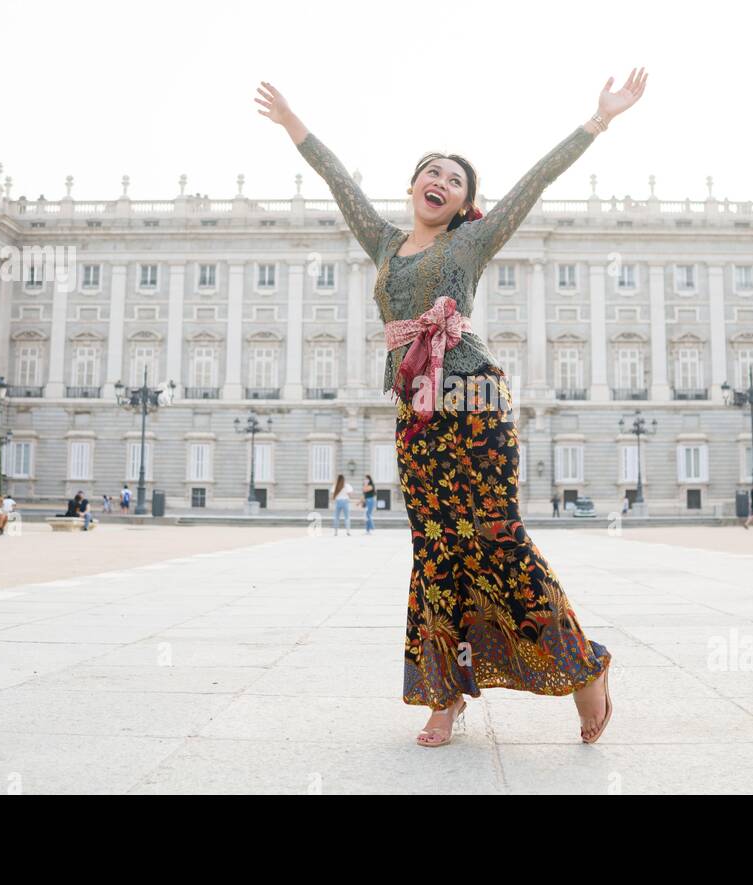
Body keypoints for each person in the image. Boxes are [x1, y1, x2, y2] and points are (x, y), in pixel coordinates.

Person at [259, 69, 647, 746]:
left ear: (466, 205)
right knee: (435, 550)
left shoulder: (469, 242)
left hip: (474, 400)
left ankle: (585, 668)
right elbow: (336, 181)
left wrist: (599, 119)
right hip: (415, 412)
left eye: (456, 179)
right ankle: (445, 694)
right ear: (414, 186)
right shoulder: (382, 244)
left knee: (498, 537)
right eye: (430, 171)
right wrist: (293, 121)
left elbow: (534, 183)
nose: (440, 180)